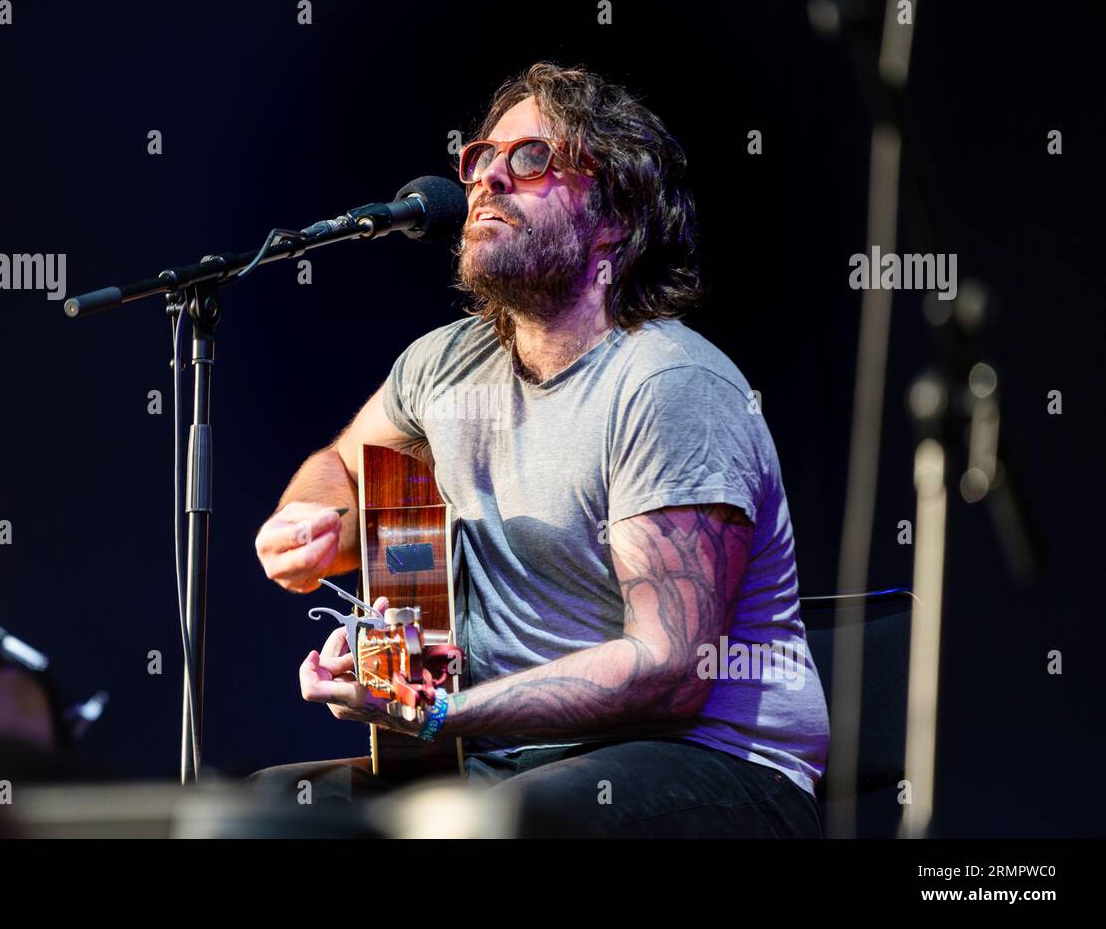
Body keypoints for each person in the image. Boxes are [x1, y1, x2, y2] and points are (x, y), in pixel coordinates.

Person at [251, 62, 828, 837]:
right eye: (479, 156)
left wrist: (443, 712)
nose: (488, 176)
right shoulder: (443, 364)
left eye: (530, 158)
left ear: (615, 215)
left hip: (713, 765)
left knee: (502, 824)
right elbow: (344, 465)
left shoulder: (667, 382)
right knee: (264, 810)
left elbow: (668, 671)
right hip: (501, 761)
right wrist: (311, 519)